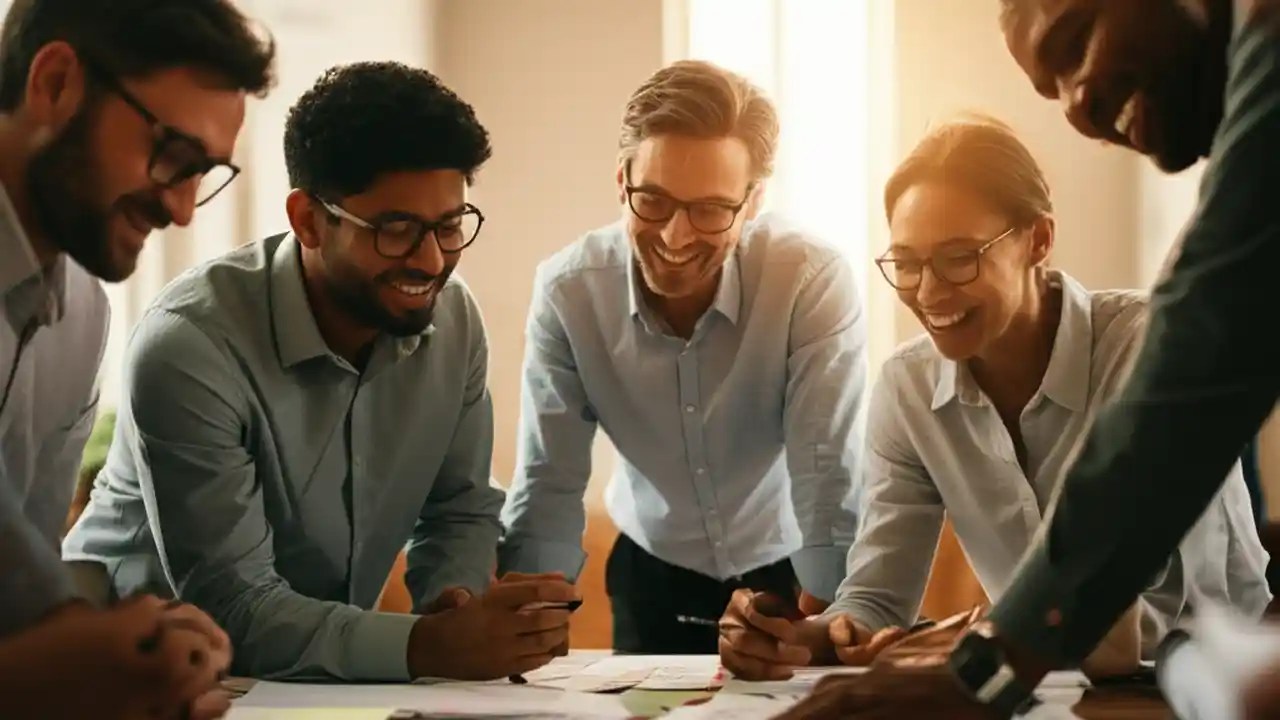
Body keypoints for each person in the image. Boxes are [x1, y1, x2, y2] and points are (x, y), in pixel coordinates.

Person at [777, 0, 1280, 717]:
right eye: (1051, 88)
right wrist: (812, 637)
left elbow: (1194, 370)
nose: (1078, 106)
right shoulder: (907, 386)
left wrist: (986, 656)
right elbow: (877, 596)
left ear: (1038, 242)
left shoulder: (1271, 42)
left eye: (1078, 43)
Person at [63, 61, 577, 682]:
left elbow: (458, 510)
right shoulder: (190, 347)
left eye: (448, 227)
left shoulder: (453, 320)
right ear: (308, 219)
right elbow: (235, 608)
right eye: (396, 230)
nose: (431, 260)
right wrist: (430, 646)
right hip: (128, 678)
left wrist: (456, 607)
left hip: (314, 680)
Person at [499, 59, 866, 654]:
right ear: (622, 180)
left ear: (751, 203)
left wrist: (834, 624)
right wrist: (522, 630)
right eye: (654, 201)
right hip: (652, 574)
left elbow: (828, 471)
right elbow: (548, 481)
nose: (675, 236)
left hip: (791, 567)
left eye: (711, 210)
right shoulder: (569, 290)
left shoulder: (809, 280)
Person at [0, 0, 275, 717]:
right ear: (56, 83)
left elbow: (22, 607)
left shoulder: (82, 318)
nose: (183, 210)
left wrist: (133, 647)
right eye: (173, 157)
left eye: (203, 173)